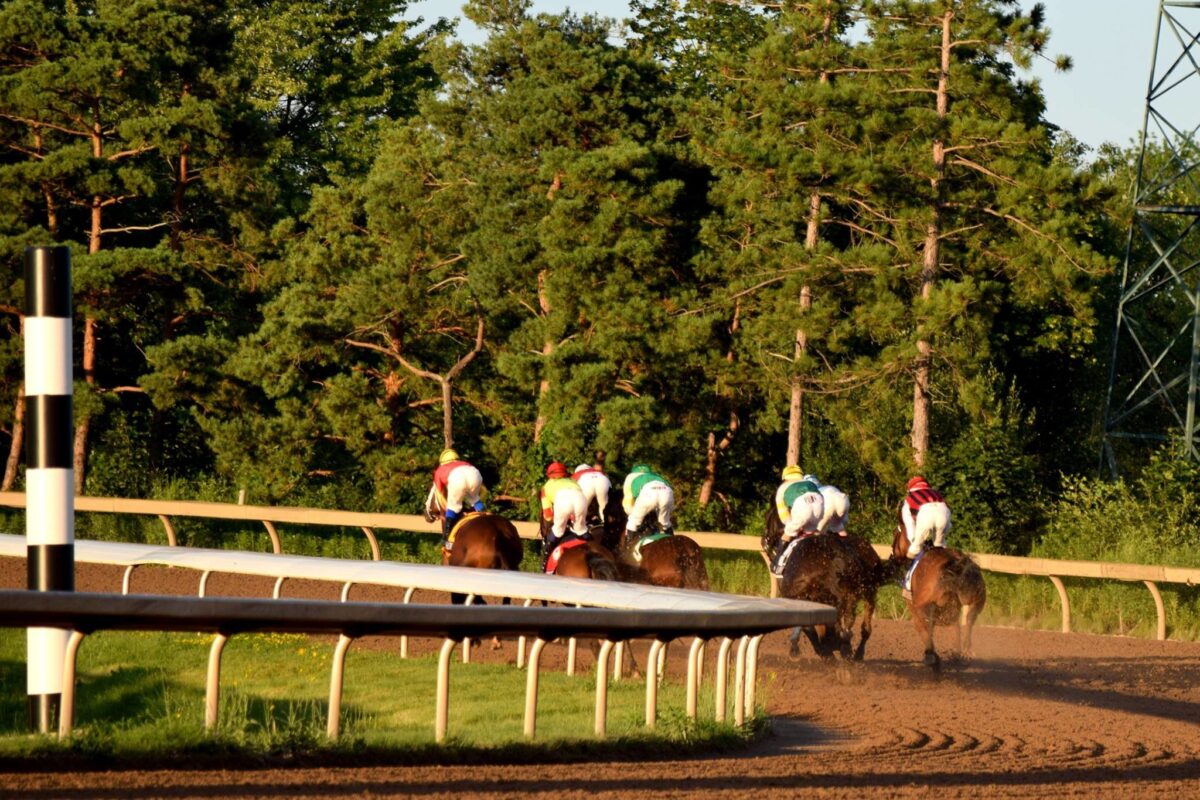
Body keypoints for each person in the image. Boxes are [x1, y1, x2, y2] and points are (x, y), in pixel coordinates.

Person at [424, 448, 485, 548]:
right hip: (474, 473)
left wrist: (450, 508)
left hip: (457, 477)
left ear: (442, 461)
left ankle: (446, 539)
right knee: (475, 499)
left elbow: (439, 494)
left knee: (453, 507)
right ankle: (484, 516)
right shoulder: (464, 463)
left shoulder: (439, 469)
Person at [540, 461, 589, 570]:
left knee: (557, 531)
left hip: (562, 500)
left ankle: (545, 560)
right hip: (581, 498)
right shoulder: (573, 482)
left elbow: (547, 515)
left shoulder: (546, 486)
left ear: (550, 475)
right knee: (581, 530)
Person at [902, 476, 952, 558]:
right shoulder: (936, 493)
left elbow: (909, 522)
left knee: (913, 551)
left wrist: (913, 539)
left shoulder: (909, 498)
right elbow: (947, 511)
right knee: (940, 547)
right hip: (944, 513)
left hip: (926, 515)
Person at [622, 463, 675, 539]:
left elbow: (629, 501)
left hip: (648, 494)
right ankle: (672, 539)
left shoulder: (631, 477)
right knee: (665, 522)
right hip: (666, 492)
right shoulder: (657, 476)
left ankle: (628, 547)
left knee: (633, 522)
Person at [775, 466, 824, 542]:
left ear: (784, 479)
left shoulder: (782, 488)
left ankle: (781, 553)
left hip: (803, 507)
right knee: (811, 533)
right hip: (819, 505)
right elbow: (821, 498)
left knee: (788, 532)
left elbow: (784, 516)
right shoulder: (809, 482)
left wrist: (793, 524)